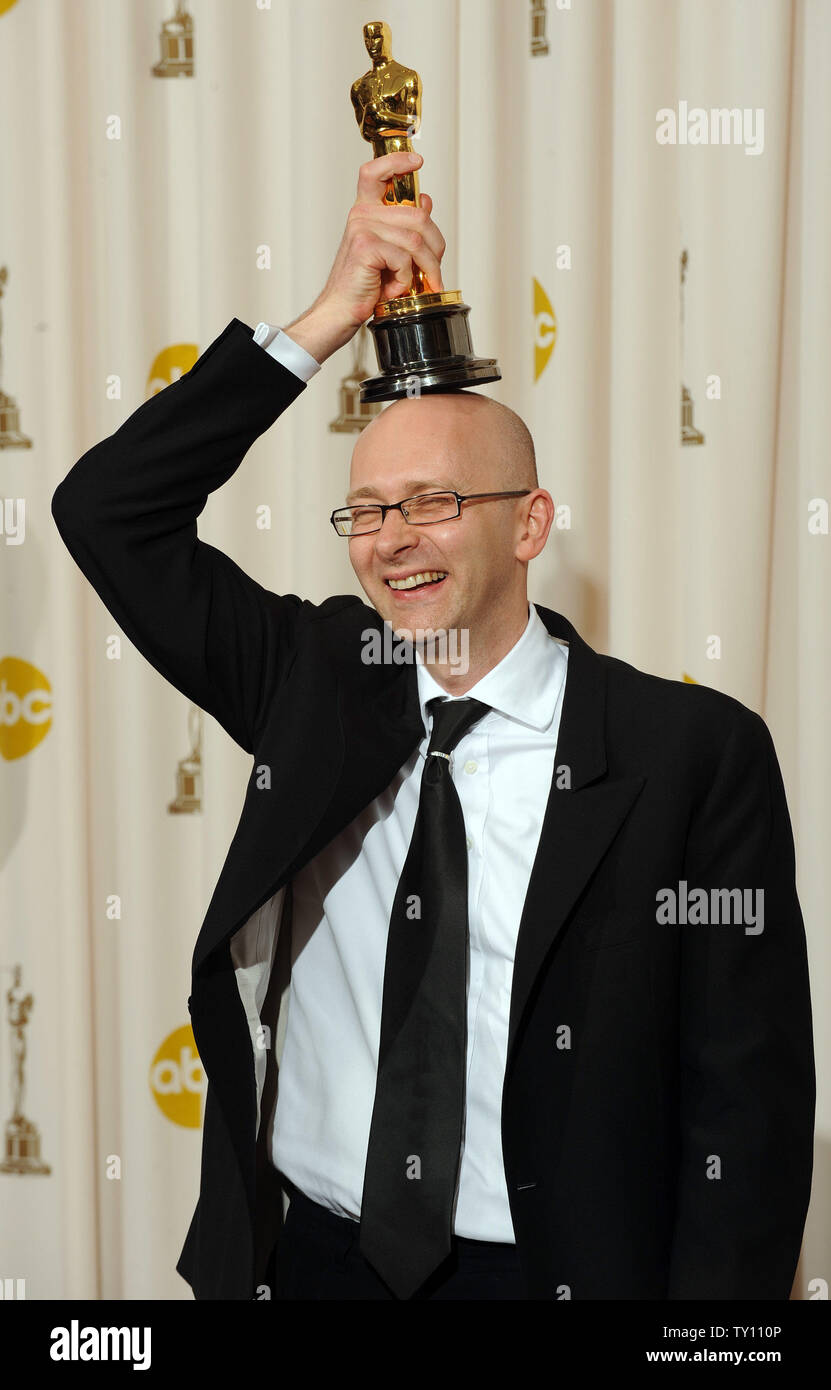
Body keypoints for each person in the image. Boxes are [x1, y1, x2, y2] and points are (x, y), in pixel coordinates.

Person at [51, 151, 815, 1301]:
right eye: (364, 510)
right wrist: (321, 321)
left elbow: (746, 1114)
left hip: (550, 1280)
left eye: (434, 502)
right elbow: (107, 512)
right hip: (313, 1262)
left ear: (530, 523)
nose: (391, 537)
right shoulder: (316, 679)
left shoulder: (687, 755)